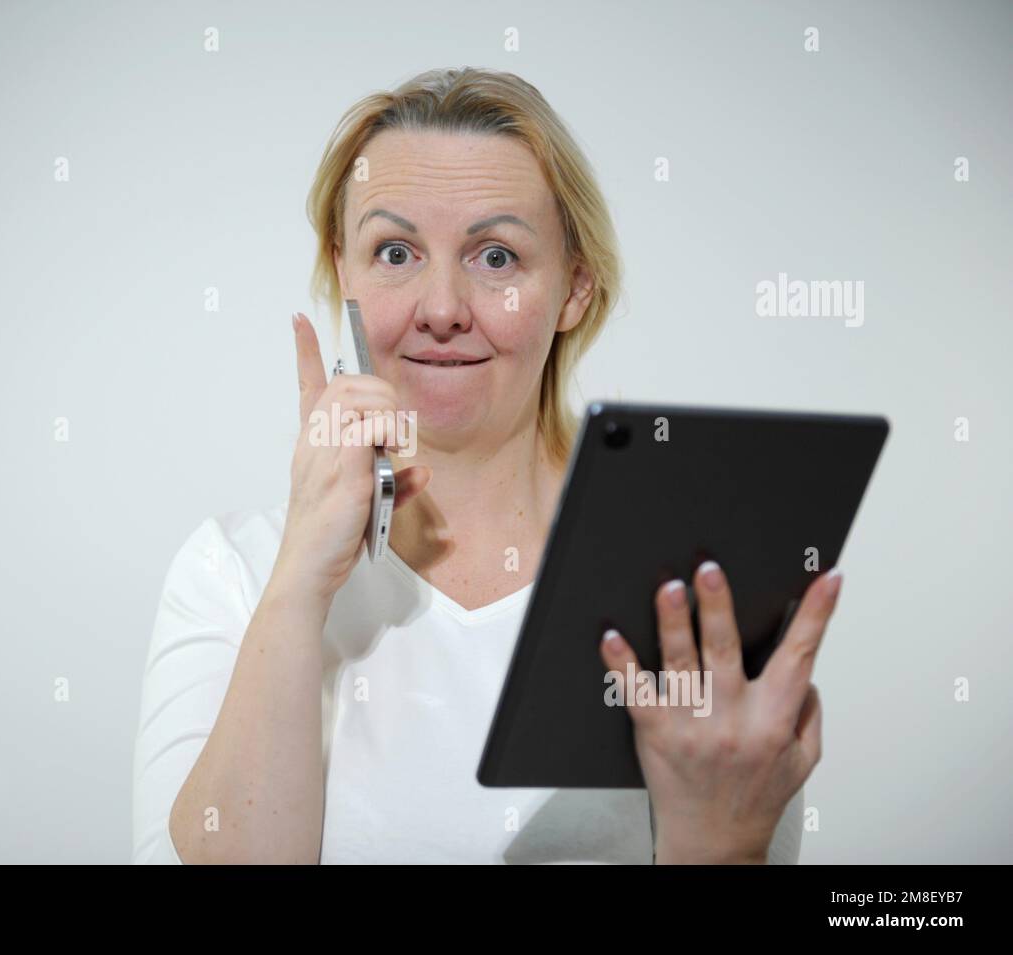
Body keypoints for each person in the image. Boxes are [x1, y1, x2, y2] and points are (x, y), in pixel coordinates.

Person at [133, 66, 834, 864]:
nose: (440, 308)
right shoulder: (233, 572)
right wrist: (297, 586)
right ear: (344, 274)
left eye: (496, 257)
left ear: (574, 287)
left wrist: (724, 840)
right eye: (394, 251)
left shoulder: (687, 594)